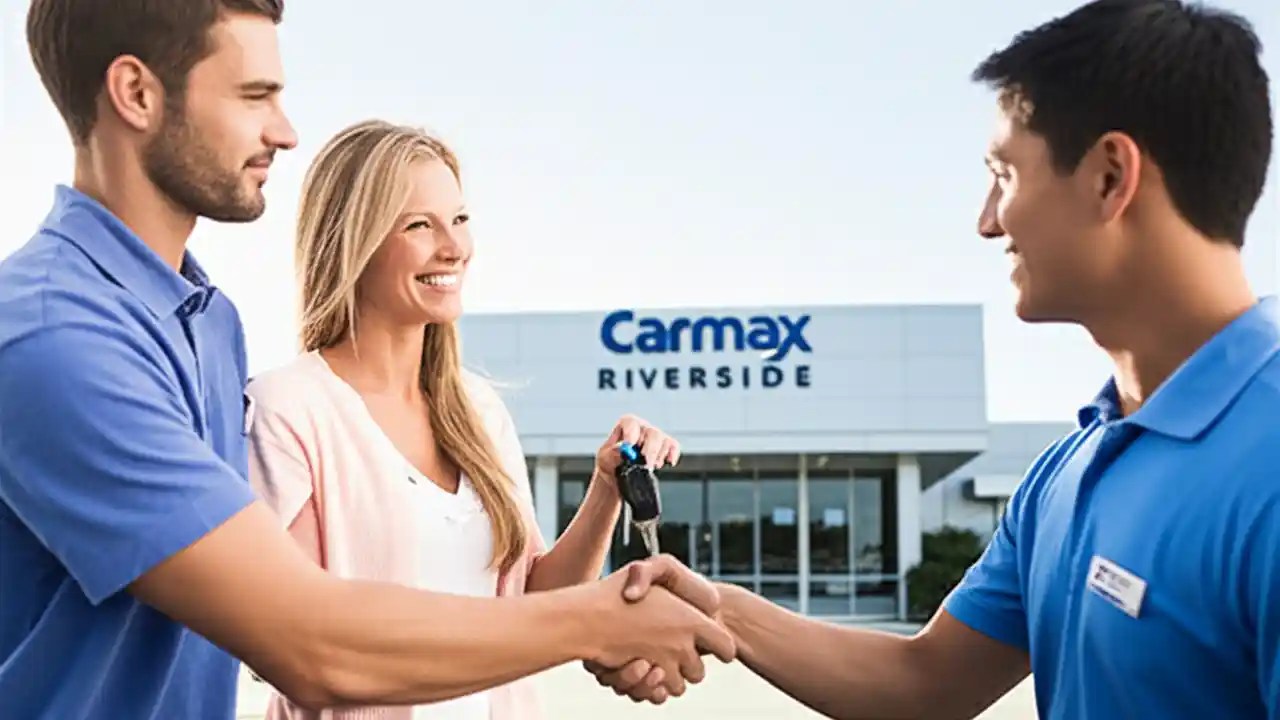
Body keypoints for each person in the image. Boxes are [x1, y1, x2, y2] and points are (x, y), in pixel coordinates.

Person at [0, 2, 732, 719]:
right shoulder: (54, 341)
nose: (285, 133)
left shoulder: (208, 322)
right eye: (255, 96)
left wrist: (598, 554)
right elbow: (308, 641)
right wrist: (605, 620)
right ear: (135, 93)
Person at [592, 0, 1279, 718]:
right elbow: (926, 683)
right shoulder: (1066, 473)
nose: (987, 221)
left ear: (1110, 177)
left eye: (1004, 176)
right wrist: (716, 611)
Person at [244, 118, 686, 719]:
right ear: (356, 239)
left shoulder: (479, 412)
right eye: (419, 225)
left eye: (460, 219)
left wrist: (606, 488)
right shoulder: (286, 411)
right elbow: (288, 646)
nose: (454, 247)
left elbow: (535, 605)